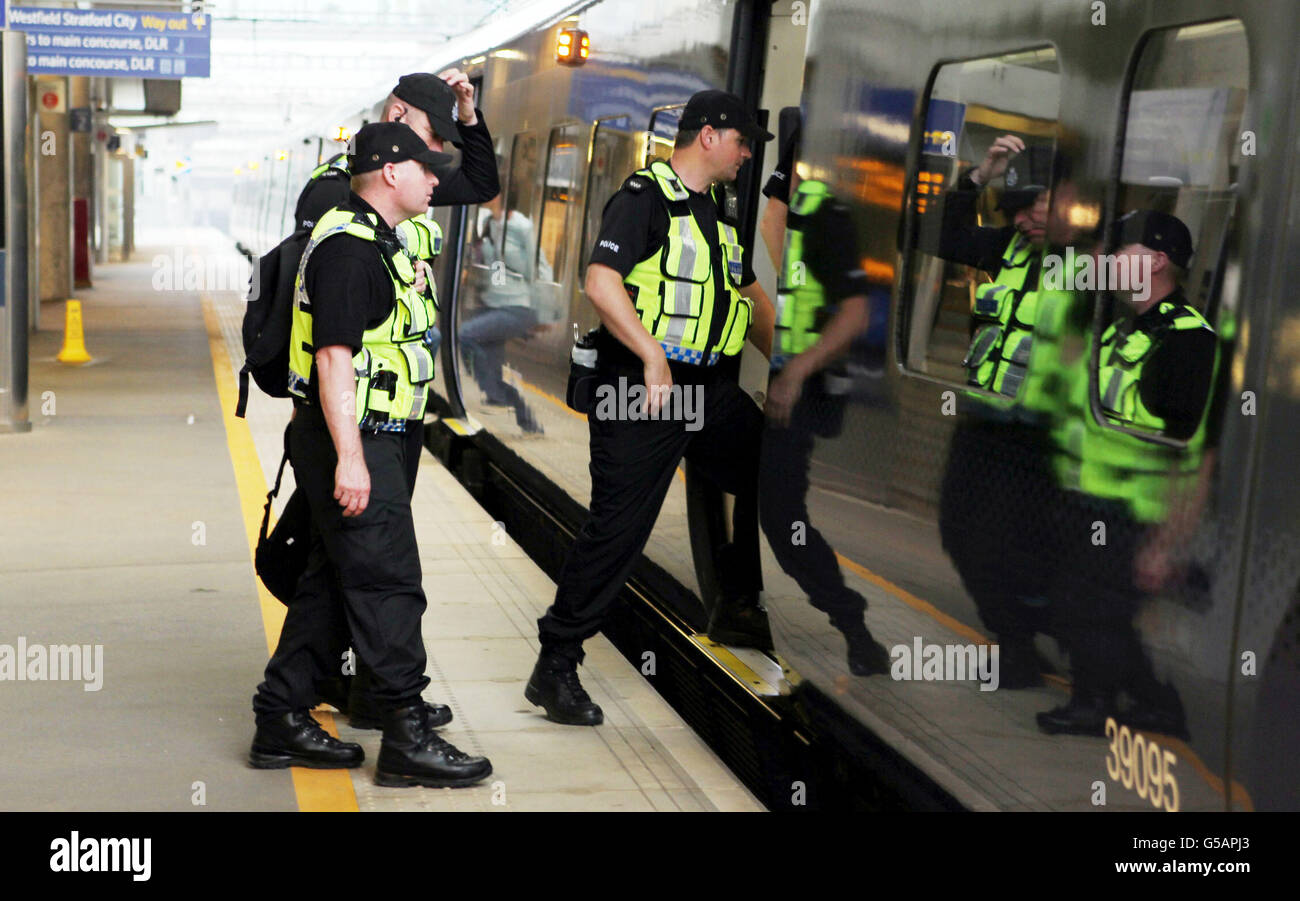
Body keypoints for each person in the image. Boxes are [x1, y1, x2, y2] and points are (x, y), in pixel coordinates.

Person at [250, 122, 492, 787]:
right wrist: (351, 458)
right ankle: (407, 736)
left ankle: (280, 714)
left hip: (368, 435)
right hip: (353, 439)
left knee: (333, 577)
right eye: (426, 169)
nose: (435, 180)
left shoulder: (377, 241)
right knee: (388, 582)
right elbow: (333, 359)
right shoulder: (349, 250)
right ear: (390, 172)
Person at [525, 90, 776, 725]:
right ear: (711, 135)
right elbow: (599, 282)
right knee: (618, 531)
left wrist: (792, 369)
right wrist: (652, 355)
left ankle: (738, 599)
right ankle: (556, 663)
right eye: (743, 142)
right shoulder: (643, 199)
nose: (747, 155)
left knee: (774, 470)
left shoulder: (719, 210)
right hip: (640, 390)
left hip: (706, 392)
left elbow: (745, 293)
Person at [290, 70, 499, 728]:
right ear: (395, 119)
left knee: (342, 564)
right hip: (347, 418)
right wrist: (349, 449)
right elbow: (334, 344)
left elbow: (482, 182)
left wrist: (468, 114)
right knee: (375, 569)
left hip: (393, 416)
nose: (439, 167)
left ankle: (313, 701)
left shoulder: (411, 183)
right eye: (430, 140)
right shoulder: (338, 201)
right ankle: (382, 702)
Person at [1036, 209, 1216, 737]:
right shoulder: (1123, 326)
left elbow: (1197, 455)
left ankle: (1094, 704)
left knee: (1087, 609)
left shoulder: (1188, 341)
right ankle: (1156, 703)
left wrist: (1167, 542)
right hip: (1091, 500)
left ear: (1157, 261)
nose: (1111, 260)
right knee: (1090, 609)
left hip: (1136, 512)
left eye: (1122, 250)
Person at [930, 136, 1077, 688]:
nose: (1021, 222)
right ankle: (1018, 632)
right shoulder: (1006, 249)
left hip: (1042, 436)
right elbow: (943, 236)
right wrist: (977, 178)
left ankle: (1021, 642)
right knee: (959, 531)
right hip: (985, 422)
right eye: (1014, 210)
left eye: (1032, 208)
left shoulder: (1094, 267)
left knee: (1020, 543)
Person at [757, 123, 891, 675]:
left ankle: (852, 626)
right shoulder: (742, 206)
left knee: (782, 517)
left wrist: (793, 374)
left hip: (790, 394)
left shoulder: (824, 216)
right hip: (737, 384)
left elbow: (855, 312)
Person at [460, 187, 545, 433]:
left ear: (501, 195)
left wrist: (543, 309)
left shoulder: (521, 226)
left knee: (467, 335)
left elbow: (536, 268)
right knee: (490, 362)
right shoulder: (489, 224)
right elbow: (495, 267)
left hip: (517, 305)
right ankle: (527, 422)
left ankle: (496, 394)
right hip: (494, 303)